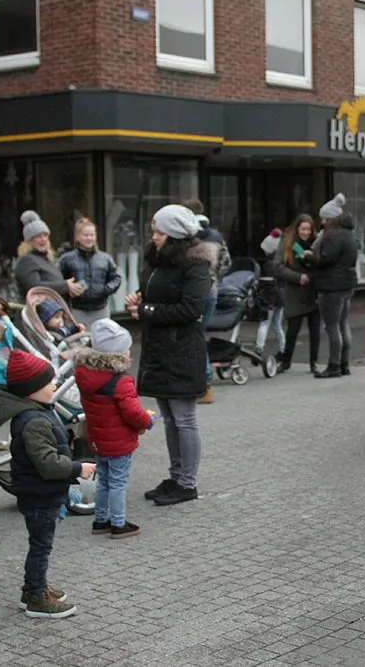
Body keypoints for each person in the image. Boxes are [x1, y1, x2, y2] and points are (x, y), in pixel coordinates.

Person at [125, 204, 213, 507]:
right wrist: (140, 298)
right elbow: (155, 292)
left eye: (160, 232)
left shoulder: (196, 265)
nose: (155, 237)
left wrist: (146, 310)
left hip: (181, 351)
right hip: (159, 350)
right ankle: (175, 476)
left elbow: (191, 309)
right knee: (169, 419)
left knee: (184, 418)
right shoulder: (157, 259)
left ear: (174, 235)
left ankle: (187, 482)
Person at [2, 349, 96, 618]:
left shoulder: (37, 413)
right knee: (41, 547)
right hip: (39, 496)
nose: (53, 387)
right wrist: (79, 468)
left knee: (40, 545)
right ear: (32, 390)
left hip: (40, 494)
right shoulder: (34, 421)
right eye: (48, 383)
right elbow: (48, 463)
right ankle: (36, 596)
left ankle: (34, 587)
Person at [76, 319, 153, 539]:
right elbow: (132, 412)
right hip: (118, 441)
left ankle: (100, 519)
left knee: (104, 480)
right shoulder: (121, 381)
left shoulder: (85, 375)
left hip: (98, 439)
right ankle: (118, 523)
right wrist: (147, 422)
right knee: (118, 482)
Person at [183, 199, 231, 404]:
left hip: (191, 291)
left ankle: (202, 384)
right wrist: (213, 276)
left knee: (192, 336)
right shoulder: (215, 235)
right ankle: (202, 384)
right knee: (198, 334)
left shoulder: (185, 235)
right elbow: (226, 263)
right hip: (210, 290)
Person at [306, 193, 358, 379]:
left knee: (331, 326)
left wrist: (310, 257)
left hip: (331, 286)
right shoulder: (349, 234)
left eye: (324, 218)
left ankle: (334, 365)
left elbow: (326, 259)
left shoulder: (332, 235)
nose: (321, 221)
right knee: (343, 324)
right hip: (347, 284)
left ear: (331, 218)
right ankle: (345, 364)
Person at [273, 214, 321, 373]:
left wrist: (311, 268)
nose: (306, 232)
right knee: (293, 328)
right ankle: (286, 361)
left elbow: (323, 265)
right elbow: (278, 266)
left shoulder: (317, 243)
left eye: (308, 229)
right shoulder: (287, 243)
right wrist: (297, 277)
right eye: (303, 229)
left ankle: (314, 362)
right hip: (294, 290)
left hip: (312, 290)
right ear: (297, 229)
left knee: (315, 329)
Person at [58, 217, 123, 327]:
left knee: (102, 341)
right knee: (79, 342)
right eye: (85, 235)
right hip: (77, 310)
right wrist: (68, 288)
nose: (89, 238)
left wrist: (106, 290)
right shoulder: (66, 259)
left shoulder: (105, 258)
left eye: (92, 235)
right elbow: (58, 280)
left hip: (101, 309)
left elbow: (116, 278)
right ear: (77, 237)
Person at [14, 210, 83, 300]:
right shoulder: (27, 261)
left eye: (45, 235)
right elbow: (34, 287)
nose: (43, 239)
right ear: (29, 241)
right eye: (38, 236)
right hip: (37, 312)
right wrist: (65, 285)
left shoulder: (46, 260)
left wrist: (70, 289)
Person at [255, 229, 286, 361]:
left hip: (270, 298)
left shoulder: (268, 266)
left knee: (264, 323)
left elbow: (269, 284)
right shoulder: (282, 263)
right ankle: (282, 349)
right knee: (277, 325)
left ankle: (259, 348)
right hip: (281, 298)